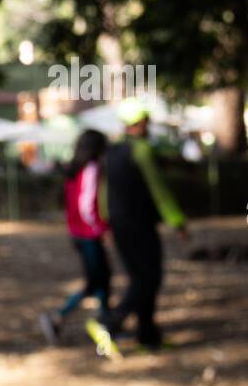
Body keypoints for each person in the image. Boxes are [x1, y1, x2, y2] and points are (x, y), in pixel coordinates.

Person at [88, 98, 188, 355]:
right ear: (142, 122)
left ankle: (147, 336)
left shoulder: (112, 152)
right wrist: (176, 220)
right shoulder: (142, 150)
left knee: (141, 278)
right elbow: (159, 190)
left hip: (120, 226)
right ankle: (109, 323)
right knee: (149, 278)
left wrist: (106, 222)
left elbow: (103, 191)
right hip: (140, 225)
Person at [40, 129, 111, 344]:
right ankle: (59, 317)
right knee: (96, 281)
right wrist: (101, 228)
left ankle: (106, 322)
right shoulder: (91, 169)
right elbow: (86, 205)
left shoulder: (73, 170)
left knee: (101, 279)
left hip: (78, 233)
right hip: (89, 234)